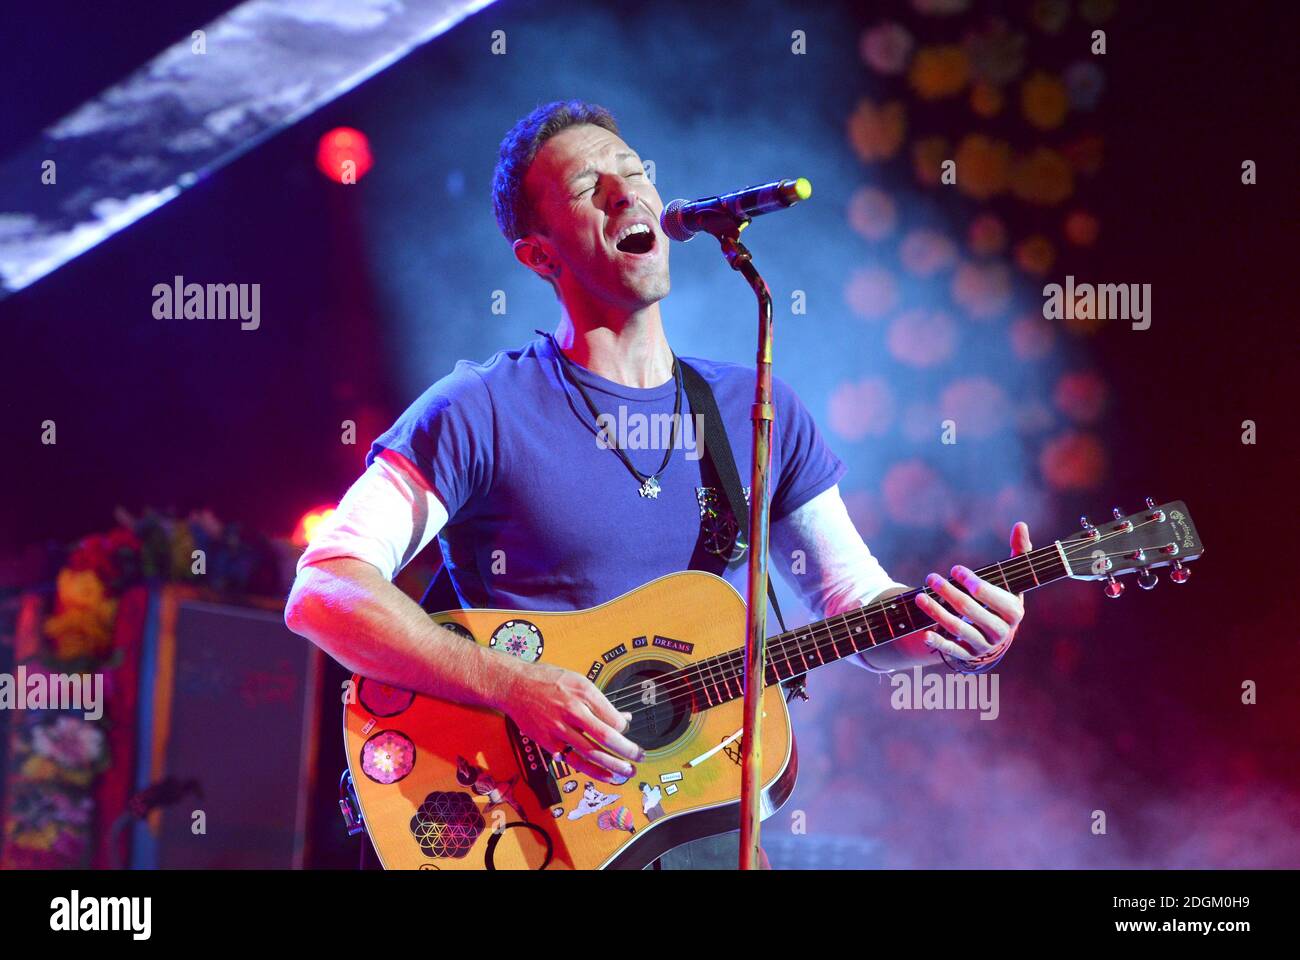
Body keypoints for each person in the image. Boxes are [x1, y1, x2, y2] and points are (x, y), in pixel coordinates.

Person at [284, 100, 1031, 869]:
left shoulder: (755, 406)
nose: (625, 193)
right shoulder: (480, 410)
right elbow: (324, 592)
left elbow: (853, 603)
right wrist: (515, 686)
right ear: (539, 257)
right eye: (587, 187)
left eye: (635, 171)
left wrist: (944, 631)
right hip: (527, 824)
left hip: (706, 827)